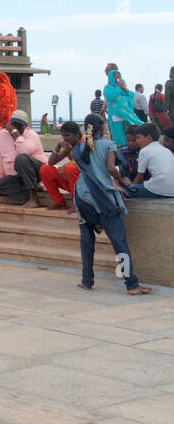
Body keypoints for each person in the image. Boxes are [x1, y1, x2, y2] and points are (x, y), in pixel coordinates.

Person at [66, 115, 150, 294]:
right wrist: (122, 181)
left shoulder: (78, 148)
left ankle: (87, 280)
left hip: (82, 196)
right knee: (119, 241)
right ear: (101, 128)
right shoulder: (108, 145)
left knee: (86, 240)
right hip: (102, 198)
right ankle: (132, 284)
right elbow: (111, 169)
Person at [0, 110, 50, 208]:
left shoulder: (31, 135)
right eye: (14, 124)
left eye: (19, 125)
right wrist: (2, 176)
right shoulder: (2, 135)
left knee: (21, 159)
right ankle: (29, 191)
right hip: (17, 175)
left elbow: (23, 151)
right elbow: (2, 156)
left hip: (37, 171)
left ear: (25, 126)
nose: (16, 127)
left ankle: (33, 197)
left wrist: (15, 135)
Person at [125, 123, 174, 198]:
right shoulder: (165, 149)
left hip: (159, 189)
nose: (137, 141)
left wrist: (131, 185)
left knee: (126, 191)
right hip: (172, 190)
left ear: (148, 138)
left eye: (138, 138)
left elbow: (139, 178)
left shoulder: (145, 150)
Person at [103, 69, 140, 144]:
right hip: (116, 115)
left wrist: (124, 88)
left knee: (131, 131)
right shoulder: (107, 88)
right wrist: (118, 88)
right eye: (116, 76)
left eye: (119, 76)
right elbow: (111, 96)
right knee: (119, 135)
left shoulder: (123, 88)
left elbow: (131, 95)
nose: (118, 78)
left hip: (126, 114)